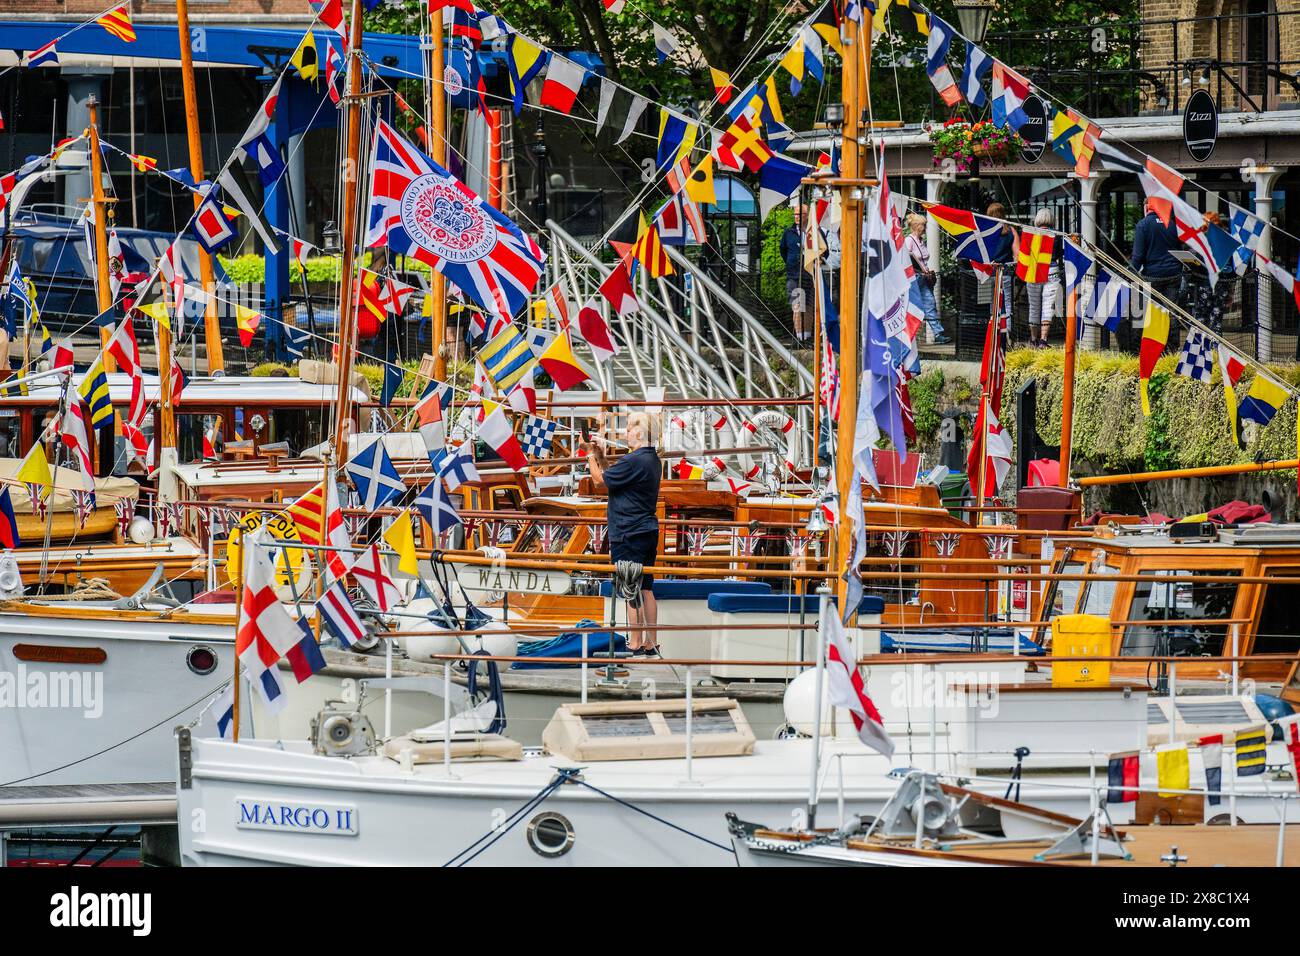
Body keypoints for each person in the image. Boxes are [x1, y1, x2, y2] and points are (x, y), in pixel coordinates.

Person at [585, 414, 661, 655]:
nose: (626, 433)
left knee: (631, 587)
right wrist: (601, 457)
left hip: (628, 531)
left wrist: (588, 455)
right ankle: (651, 643)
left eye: (629, 429)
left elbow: (600, 482)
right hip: (646, 529)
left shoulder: (634, 460)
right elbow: (614, 478)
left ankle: (636, 642)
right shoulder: (651, 460)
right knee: (646, 588)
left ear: (640, 433)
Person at [904, 213, 949, 344]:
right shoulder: (909, 241)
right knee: (912, 306)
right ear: (917, 226)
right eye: (923, 225)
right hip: (915, 277)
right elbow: (907, 258)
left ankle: (938, 334)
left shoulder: (920, 241)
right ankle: (908, 335)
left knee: (930, 303)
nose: (924, 227)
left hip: (923, 277)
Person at [1025, 207, 1064, 347]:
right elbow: (1059, 254)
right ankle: (1043, 340)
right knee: (1048, 306)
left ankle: (1033, 338)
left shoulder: (1031, 234)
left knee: (1034, 306)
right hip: (1052, 270)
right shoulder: (1056, 235)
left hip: (1035, 271)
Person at [780, 204, 816, 346]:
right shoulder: (788, 232)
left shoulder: (813, 232)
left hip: (809, 274)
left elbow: (823, 250)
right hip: (794, 275)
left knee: (808, 306)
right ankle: (798, 338)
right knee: (797, 305)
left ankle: (806, 337)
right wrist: (791, 262)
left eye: (800, 214)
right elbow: (783, 250)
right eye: (795, 214)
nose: (797, 217)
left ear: (807, 215)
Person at [986, 202, 1017, 325]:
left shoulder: (986, 232)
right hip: (1006, 271)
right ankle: (1007, 334)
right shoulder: (1011, 231)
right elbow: (1017, 254)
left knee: (993, 304)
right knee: (1007, 303)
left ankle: (993, 333)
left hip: (990, 271)